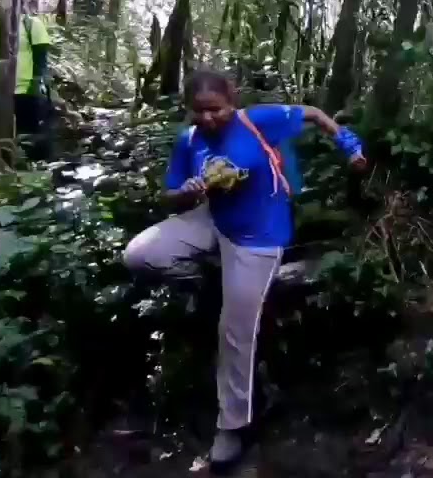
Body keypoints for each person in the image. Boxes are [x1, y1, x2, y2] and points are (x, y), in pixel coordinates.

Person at [122, 67, 367, 473]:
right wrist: (185, 194)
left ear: (230, 103)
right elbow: (170, 196)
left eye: (215, 110)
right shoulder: (190, 140)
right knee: (139, 255)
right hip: (212, 219)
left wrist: (350, 146)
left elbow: (313, 114)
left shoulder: (257, 120)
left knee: (234, 332)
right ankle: (211, 284)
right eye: (199, 111)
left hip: (259, 234)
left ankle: (232, 426)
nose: (207, 119)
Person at [0, 11, 53, 157]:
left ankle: (28, 169)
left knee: (27, 139)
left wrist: (42, 85)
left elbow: (41, 58)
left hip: (24, 91)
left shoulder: (31, 24)